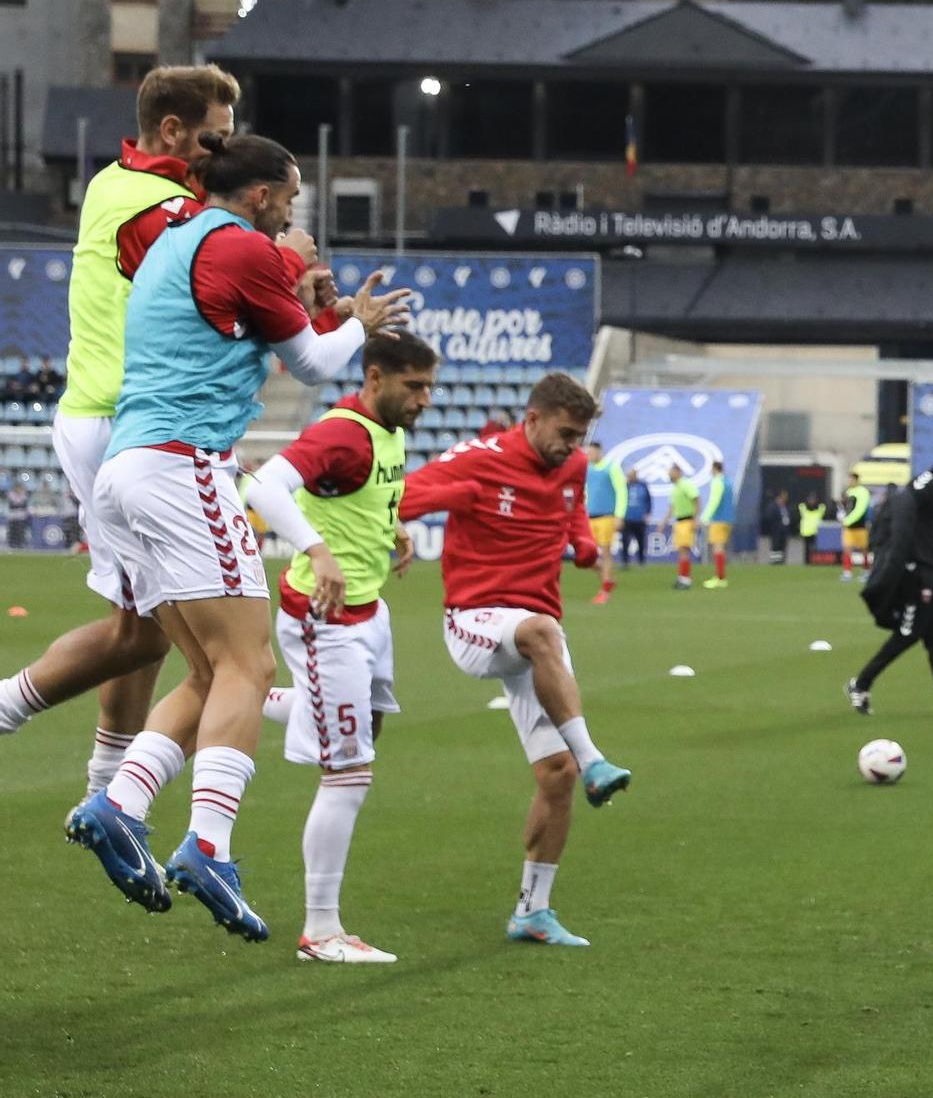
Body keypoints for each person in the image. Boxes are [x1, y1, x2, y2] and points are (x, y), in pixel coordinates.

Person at [68, 132, 409, 941]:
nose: (295, 216)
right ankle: (208, 845)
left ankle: (119, 802)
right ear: (261, 196)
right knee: (251, 665)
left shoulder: (176, 238)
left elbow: (252, 325)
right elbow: (320, 366)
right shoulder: (242, 246)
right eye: (290, 200)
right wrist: (355, 318)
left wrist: (305, 286)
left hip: (129, 469)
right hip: (184, 467)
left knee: (206, 668)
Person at [0, 65, 238, 798]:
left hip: (111, 418)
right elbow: (208, 289)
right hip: (122, 425)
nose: (221, 155)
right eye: (213, 139)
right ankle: (35, 727)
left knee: (146, 621)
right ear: (171, 131)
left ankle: (108, 784)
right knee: (149, 631)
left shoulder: (115, 183)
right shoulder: (156, 209)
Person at [398, 372, 634, 947]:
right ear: (531, 419)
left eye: (580, 437)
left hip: (534, 635)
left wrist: (581, 541)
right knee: (542, 633)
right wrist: (394, 528)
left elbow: (572, 506)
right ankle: (596, 756)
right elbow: (401, 494)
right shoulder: (477, 461)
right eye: (564, 433)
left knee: (558, 777)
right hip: (475, 620)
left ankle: (533, 911)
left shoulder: (572, 468)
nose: (571, 447)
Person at [243, 334, 436, 963]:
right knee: (349, 772)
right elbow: (265, 489)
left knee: (362, 737)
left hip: (368, 611)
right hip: (325, 620)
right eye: (414, 387)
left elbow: (358, 497)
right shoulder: (342, 431)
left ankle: (242, 700)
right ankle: (320, 932)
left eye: (429, 386)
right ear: (375, 377)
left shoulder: (388, 432)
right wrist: (316, 549)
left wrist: (395, 527)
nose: (424, 400)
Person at [847, 450, 933, 718]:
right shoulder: (922, 488)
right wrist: (896, 565)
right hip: (919, 575)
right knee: (909, 633)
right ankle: (861, 683)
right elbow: (898, 520)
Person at [582, 442, 624, 605]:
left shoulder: (611, 468)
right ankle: (607, 578)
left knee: (606, 552)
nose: (589, 455)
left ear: (599, 452)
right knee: (586, 555)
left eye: (591, 452)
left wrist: (619, 515)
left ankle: (605, 590)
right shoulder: (588, 470)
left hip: (606, 516)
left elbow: (621, 491)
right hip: (590, 517)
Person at [660, 463, 701, 590]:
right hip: (679, 522)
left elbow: (696, 499)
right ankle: (682, 577)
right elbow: (671, 508)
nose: (669, 475)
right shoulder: (675, 488)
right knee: (681, 550)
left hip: (687, 520)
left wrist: (695, 519)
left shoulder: (685, 484)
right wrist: (663, 522)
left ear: (677, 471)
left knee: (684, 550)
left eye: (671, 472)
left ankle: (685, 579)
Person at [702, 459, 736, 589]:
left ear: (715, 468)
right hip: (728, 519)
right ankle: (721, 577)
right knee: (721, 548)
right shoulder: (728, 482)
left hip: (719, 519)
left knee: (717, 548)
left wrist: (705, 517)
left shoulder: (717, 482)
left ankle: (720, 578)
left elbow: (714, 500)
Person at [840, 472, 872, 582]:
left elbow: (860, 510)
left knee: (864, 550)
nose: (849, 482)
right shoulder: (848, 492)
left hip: (860, 526)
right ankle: (847, 572)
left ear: (857, 480)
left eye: (851, 479)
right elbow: (845, 508)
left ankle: (866, 571)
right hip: (849, 528)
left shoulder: (863, 492)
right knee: (847, 549)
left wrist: (847, 520)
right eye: (849, 479)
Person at [619, 467, 652, 566]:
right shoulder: (624, 486)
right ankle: (625, 561)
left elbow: (648, 500)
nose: (631, 477)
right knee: (625, 540)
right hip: (626, 518)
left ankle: (641, 561)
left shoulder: (643, 486)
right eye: (629, 475)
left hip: (639, 518)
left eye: (632, 474)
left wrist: (647, 513)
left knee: (641, 541)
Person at [796, 492, 826, 570]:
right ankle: (807, 562)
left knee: (815, 549)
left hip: (816, 532)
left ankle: (814, 561)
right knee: (807, 549)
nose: (812, 501)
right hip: (806, 532)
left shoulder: (820, 508)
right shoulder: (802, 507)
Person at [762, 489, 792, 565]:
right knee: (776, 546)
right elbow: (768, 517)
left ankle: (782, 561)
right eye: (783, 497)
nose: (785, 498)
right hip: (776, 530)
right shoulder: (773, 506)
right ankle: (775, 562)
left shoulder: (786, 507)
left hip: (784, 530)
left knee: (783, 546)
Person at [4, 479, 28, 549]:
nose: (18, 489)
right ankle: (12, 544)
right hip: (13, 516)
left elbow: (24, 506)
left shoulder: (24, 495)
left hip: (21, 516)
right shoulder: (11, 494)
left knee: (20, 531)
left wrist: (17, 505)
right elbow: (11, 506)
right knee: (12, 531)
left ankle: (20, 543)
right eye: (17, 487)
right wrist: (18, 505)